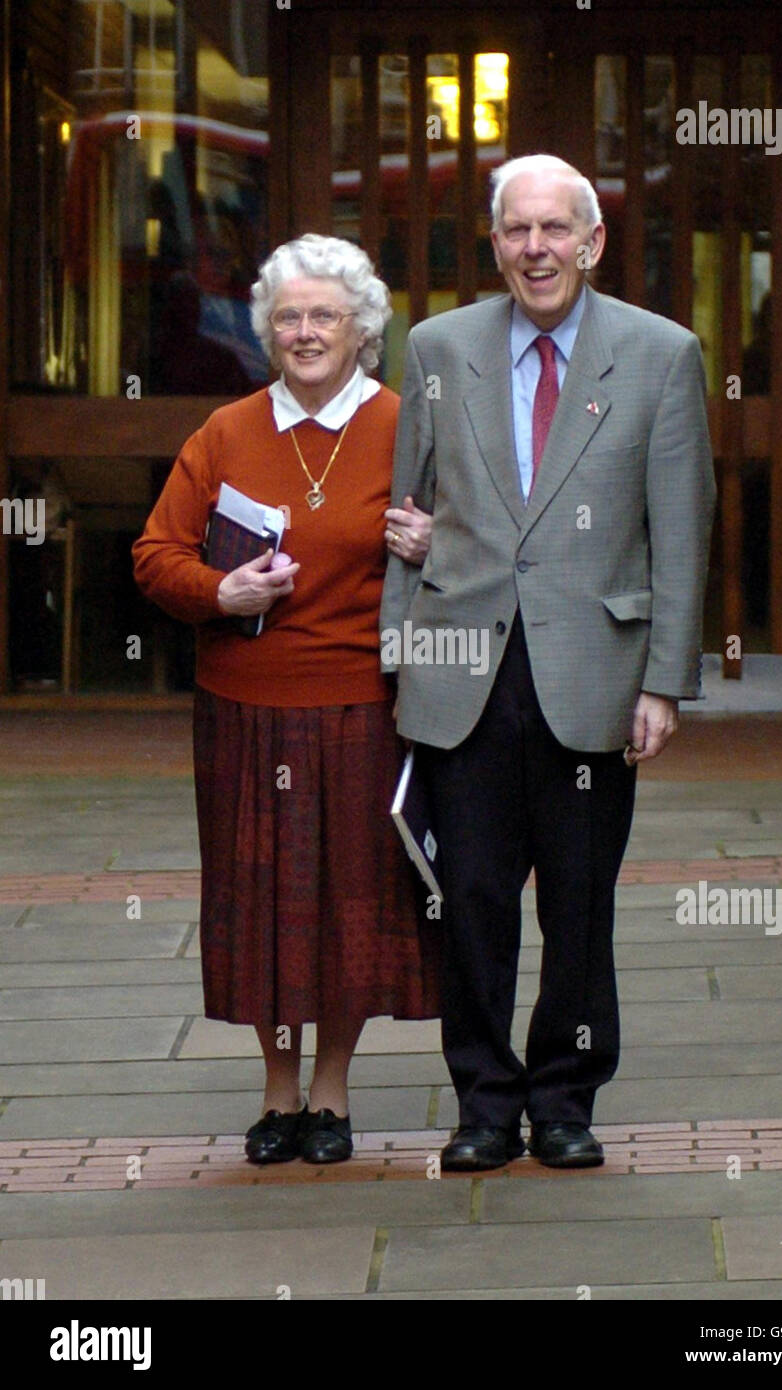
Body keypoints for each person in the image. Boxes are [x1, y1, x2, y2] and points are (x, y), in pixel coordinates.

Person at [381, 155, 716, 1171]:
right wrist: (399, 655)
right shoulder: (437, 348)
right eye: (517, 231)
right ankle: (484, 1103)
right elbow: (408, 514)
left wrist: (664, 680)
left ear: (593, 241)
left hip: (595, 676)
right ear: (495, 245)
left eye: (556, 229)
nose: (537, 249)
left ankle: (565, 1099)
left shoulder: (661, 354)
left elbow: (681, 533)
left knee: (579, 904)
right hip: (461, 671)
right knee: (471, 901)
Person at [133, 233, 436, 1166]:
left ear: (362, 330)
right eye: (289, 316)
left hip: (361, 708)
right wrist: (220, 591)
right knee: (263, 901)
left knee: (349, 903)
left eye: (325, 316)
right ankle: (276, 1094)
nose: (306, 332)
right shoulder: (225, 432)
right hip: (244, 708)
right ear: (267, 330)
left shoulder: (405, 426)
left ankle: (332, 1094)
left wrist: (439, 544)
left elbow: (477, 547)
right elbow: (155, 555)